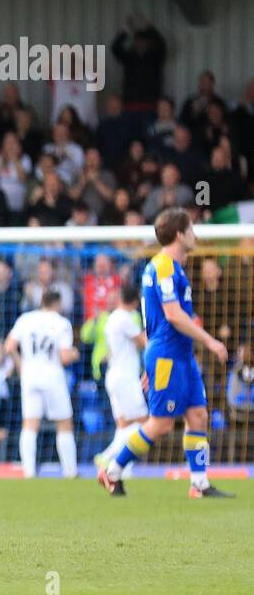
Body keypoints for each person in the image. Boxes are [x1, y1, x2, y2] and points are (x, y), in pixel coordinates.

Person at [98, 208, 234, 498]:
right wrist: (210, 341)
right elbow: (172, 315)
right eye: (192, 229)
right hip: (166, 356)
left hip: (181, 356)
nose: (195, 234)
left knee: (197, 415)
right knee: (160, 424)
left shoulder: (174, 268)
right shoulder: (162, 267)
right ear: (179, 234)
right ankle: (112, 470)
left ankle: (199, 483)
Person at [5, 289, 80, 479]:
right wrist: (74, 354)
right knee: (64, 423)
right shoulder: (62, 323)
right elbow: (64, 357)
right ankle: (70, 472)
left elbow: (9, 346)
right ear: (57, 304)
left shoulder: (26, 319)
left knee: (30, 424)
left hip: (29, 376)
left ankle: (28, 472)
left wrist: (20, 364)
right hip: (52, 376)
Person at [94, 285, 148, 491]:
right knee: (143, 422)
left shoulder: (112, 318)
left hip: (114, 375)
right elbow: (143, 342)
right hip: (125, 377)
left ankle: (124, 468)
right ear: (135, 302)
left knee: (124, 425)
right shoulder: (125, 318)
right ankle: (107, 457)